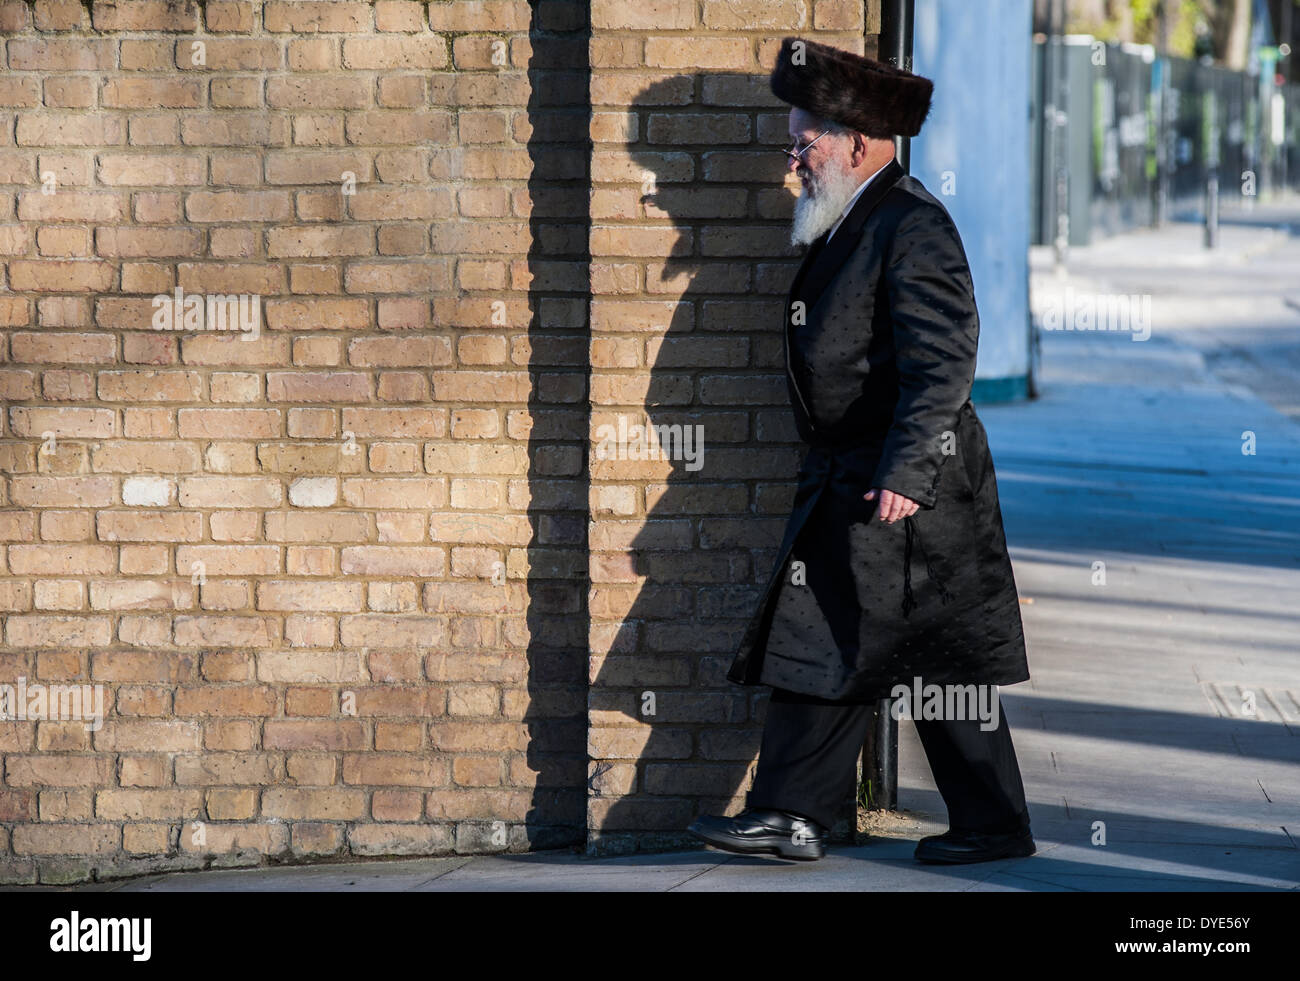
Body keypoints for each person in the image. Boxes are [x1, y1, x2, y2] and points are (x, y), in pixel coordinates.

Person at [688, 37, 1035, 865]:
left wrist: (907, 473)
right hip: (862, 476)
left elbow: (945, 359)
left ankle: (819, 815)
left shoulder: (910, 223)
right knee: (874, 642)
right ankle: (953, 820)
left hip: (911, 484)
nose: (792, 154)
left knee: (882, 646)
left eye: (804, 139)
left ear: (857, 142)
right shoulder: (852, 218)